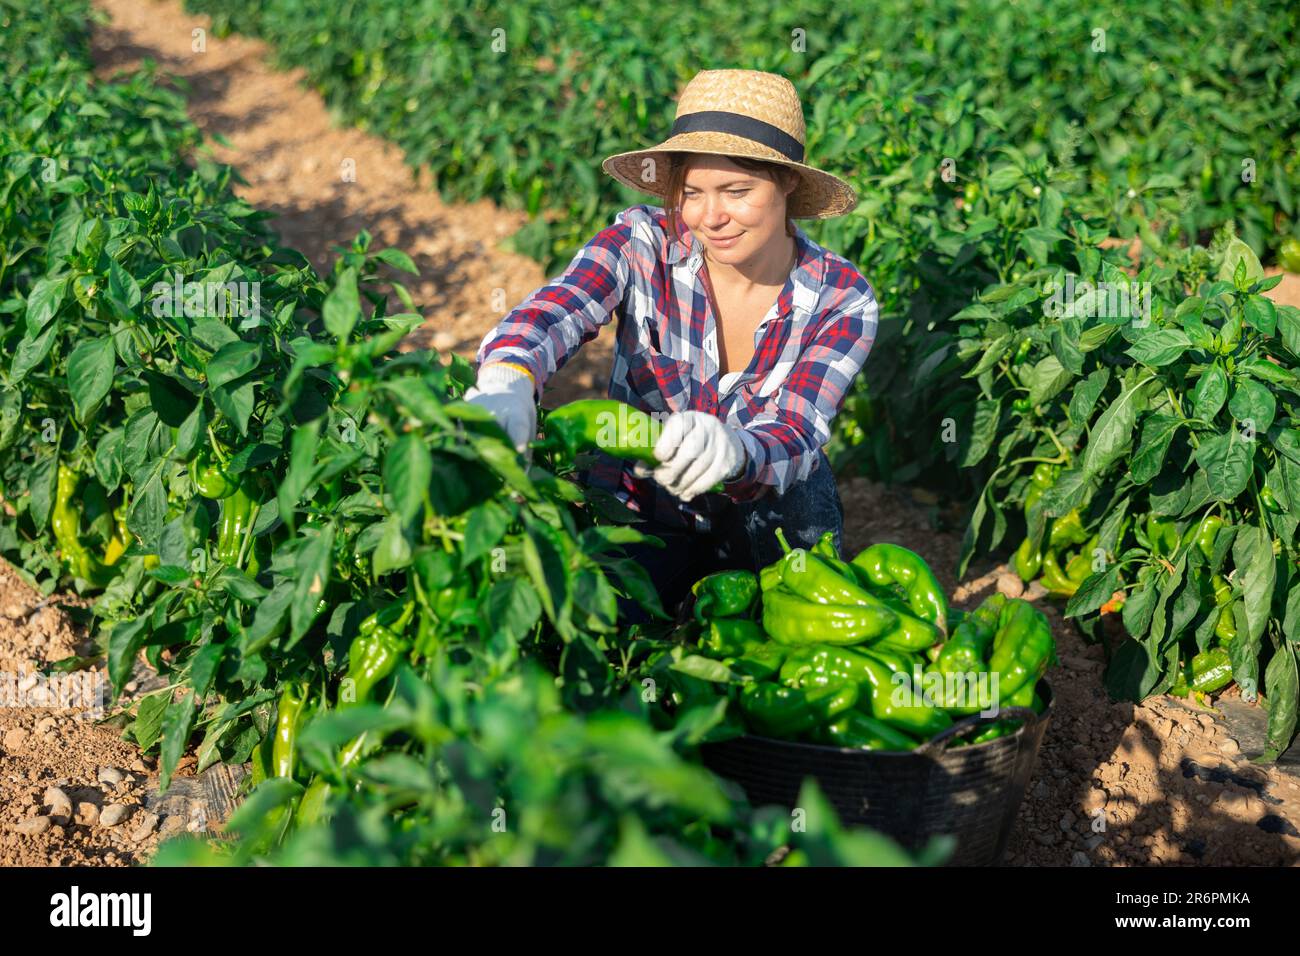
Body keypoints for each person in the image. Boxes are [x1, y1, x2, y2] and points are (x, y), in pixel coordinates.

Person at [465, 69, 878, 623]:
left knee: (796, 529)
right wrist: (509, 375)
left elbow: (799, 428)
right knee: (613, 630)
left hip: (763, 515)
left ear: (787, 185)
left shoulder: (842, 298)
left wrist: (736, 452)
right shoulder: (642, 244)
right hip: (643, 509)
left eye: (737, 191)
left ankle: (781, 610)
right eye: (692, 194)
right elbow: (560, 307)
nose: (711, 218)